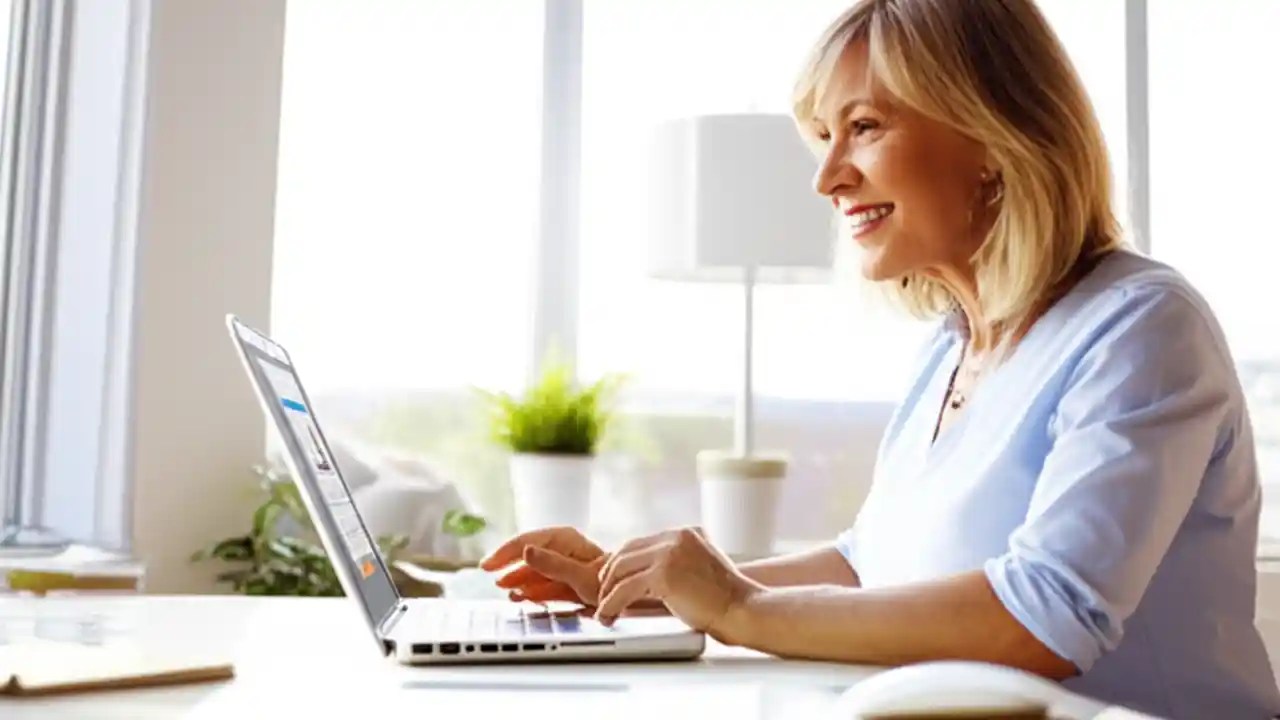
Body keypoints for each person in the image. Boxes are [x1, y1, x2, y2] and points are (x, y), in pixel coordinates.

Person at [481, 0, 1280, 716]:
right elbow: (870, 567)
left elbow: (1049, 617)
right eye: (824, 137)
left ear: (993, 135)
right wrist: (650, 589)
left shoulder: (1141, 328)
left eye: (863, 127)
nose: (828, 177)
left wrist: (738, 609)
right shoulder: (956, 347)